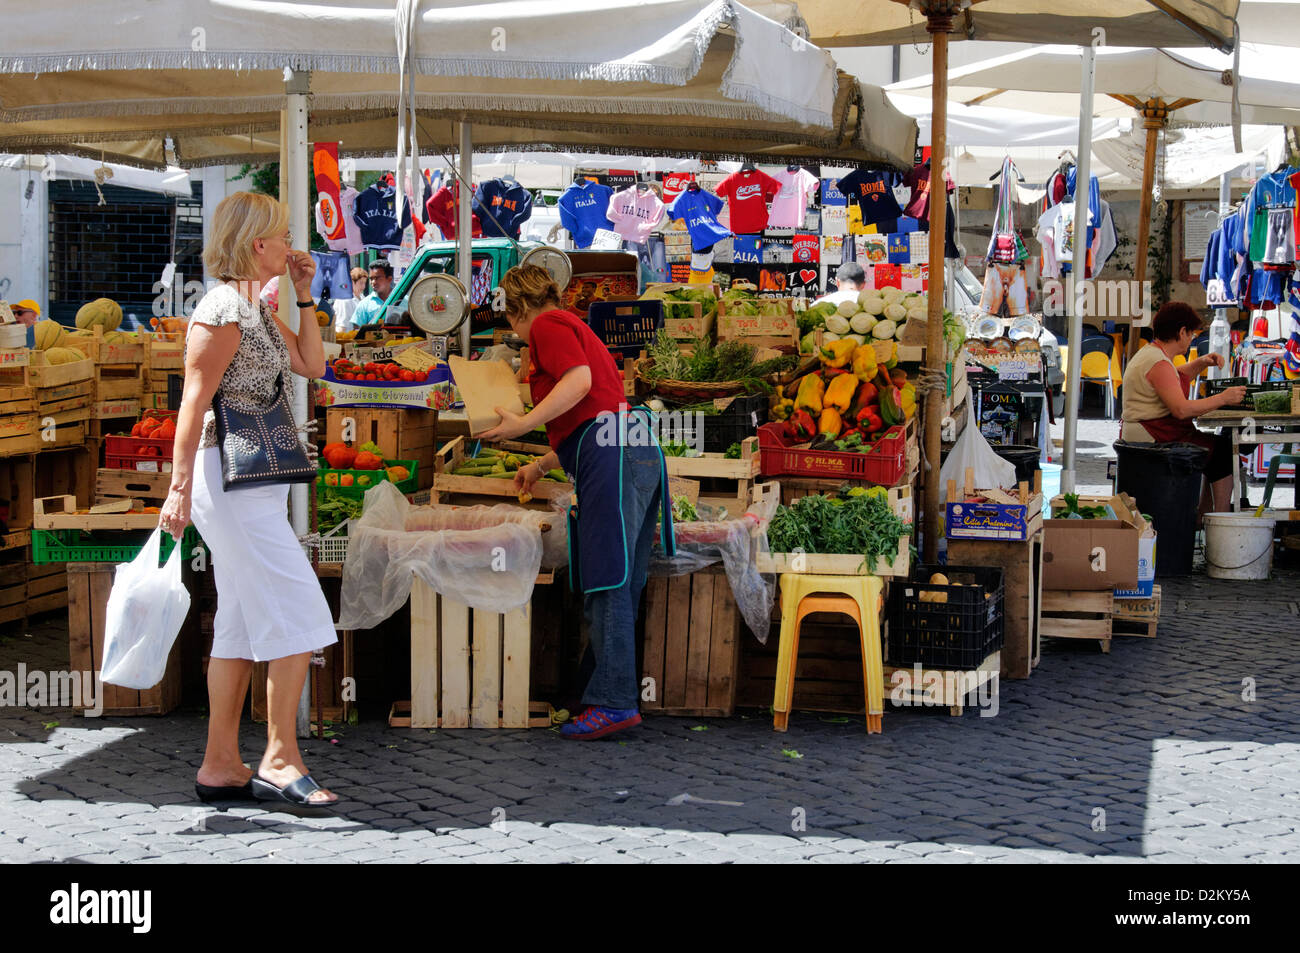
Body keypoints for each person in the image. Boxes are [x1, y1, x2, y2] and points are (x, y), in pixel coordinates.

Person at [160, 191, 340, 807]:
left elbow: (313, 364)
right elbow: (191, 402)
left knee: (237, 626)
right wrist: (177, 490)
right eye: (283, 235)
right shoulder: (220, 307)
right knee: (300, 611)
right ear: (256, 242)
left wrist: (306, 293)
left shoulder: (255, 307)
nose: (293, 244)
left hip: (254, 486)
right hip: (225, 478)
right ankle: (280, 756)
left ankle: (219, 762)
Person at [479, 264, 675, 740]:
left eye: (509, 317)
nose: (512, 330)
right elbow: (590, 406)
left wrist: (523, 423)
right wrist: (542, 465)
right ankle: (597, 689)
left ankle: (614, 702)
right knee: (619, 581)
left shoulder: (547, 325)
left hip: (613, 456)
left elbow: (580, 384)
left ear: (518, 308)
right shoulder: (571, 324)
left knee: (607, 578)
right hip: (631, 449)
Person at [1120, 301, 1248, 514]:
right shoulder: (1158, 362)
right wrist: (1224, 398)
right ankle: (1219, 517)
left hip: (1150, 432)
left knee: (1217, 448)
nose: (1191, 339)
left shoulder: (1153, 354)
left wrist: (1201, 362)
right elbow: (1181, 410)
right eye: (1191, 334)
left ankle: (1203, 514)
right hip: (1153, 438)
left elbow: (1174, 377)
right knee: (1223, 453)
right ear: (1181, 332)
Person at [350, 259, 395, 328]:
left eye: (377, 278)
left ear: (389, 279)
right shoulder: (364, 304)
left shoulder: (404, 301)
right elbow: (357, 331)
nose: (373, 282)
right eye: (371, 279)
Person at [331, 266, 369, 333]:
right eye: (361, 283)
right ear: (352, 282)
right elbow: (341, 327)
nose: (364, 286)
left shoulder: (362, 297)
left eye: (364, 283)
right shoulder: (344, 300)